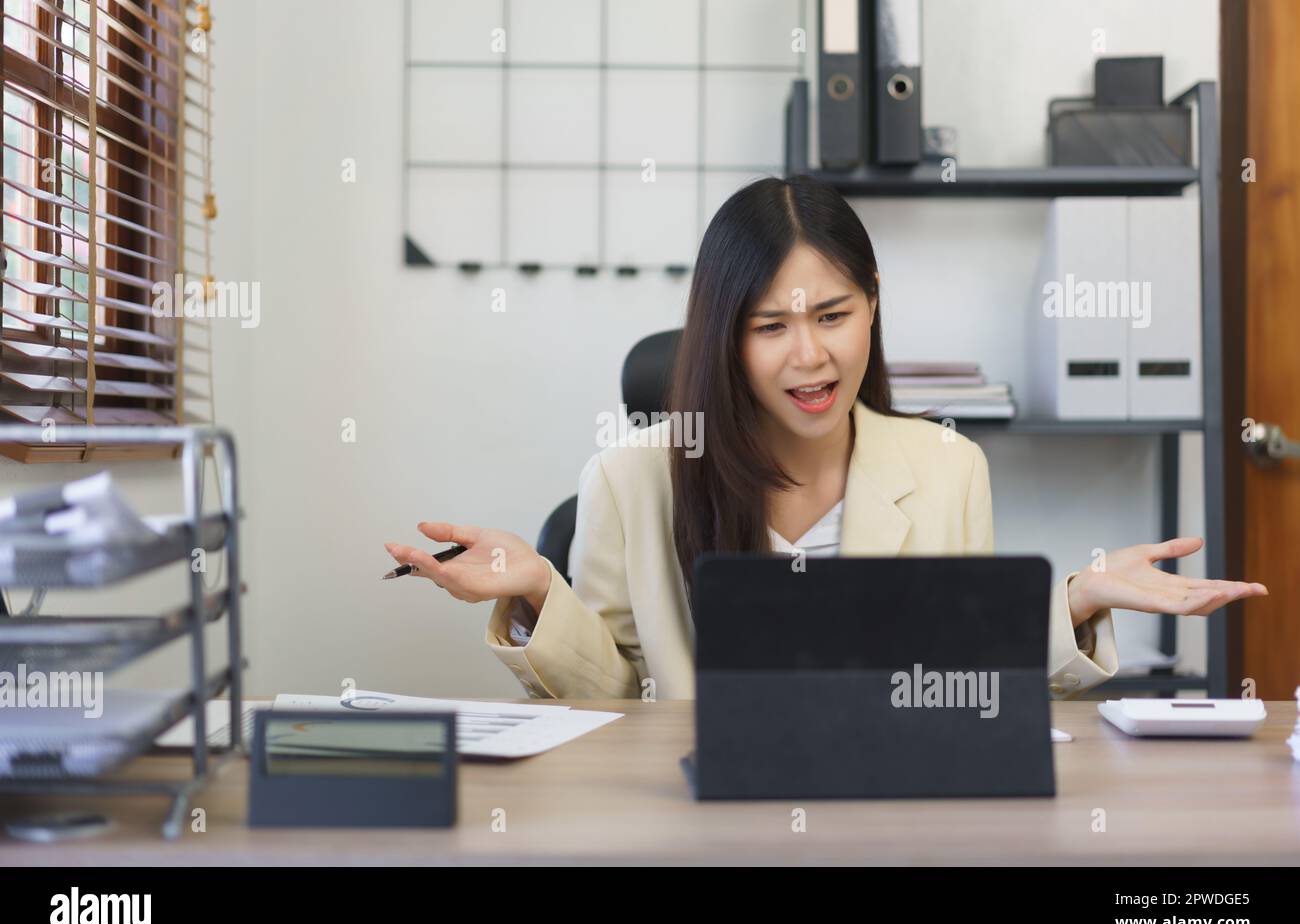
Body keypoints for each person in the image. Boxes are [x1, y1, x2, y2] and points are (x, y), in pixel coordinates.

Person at [385, 175, 1266, 700]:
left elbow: (961, 667)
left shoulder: (949, 467)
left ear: (873, 302)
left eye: (835, 314)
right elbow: (621, 696)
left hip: (884, 811)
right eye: (770, 327)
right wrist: (541, 586)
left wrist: (1080, 595)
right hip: (701, 824)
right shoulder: (631, 478)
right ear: (724, 334)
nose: (811, 356)